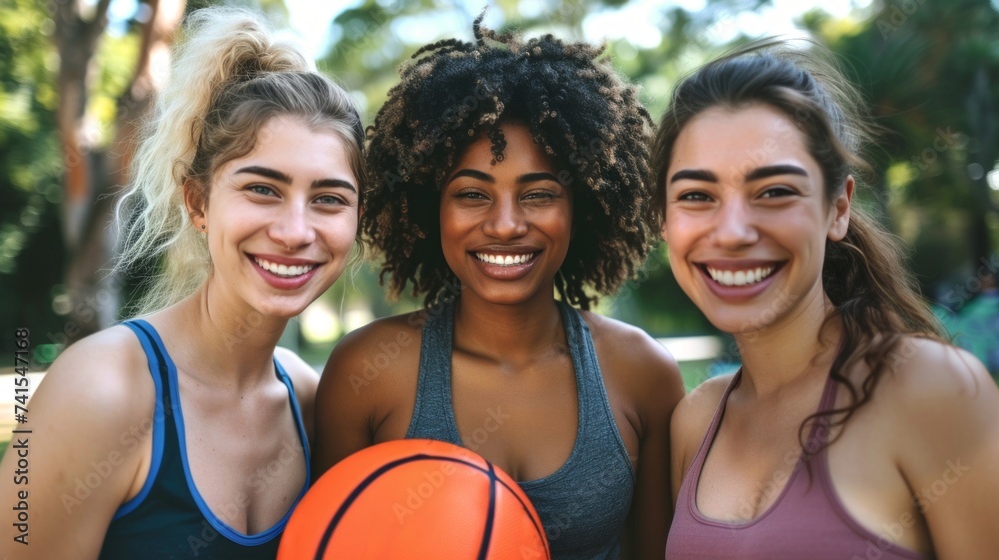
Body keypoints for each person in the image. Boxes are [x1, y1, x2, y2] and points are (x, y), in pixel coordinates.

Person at [313, 13, 685, 560]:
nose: (507, 223)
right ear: (429, 208)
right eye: (471, 194)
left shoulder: (642, 373)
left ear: (581, 208)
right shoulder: (367, 373)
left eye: (538, 194)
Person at [0, 7, 364, 559]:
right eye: (262, 189)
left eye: (330, 199)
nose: (295, 231)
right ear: (198, 203)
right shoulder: (98, 392)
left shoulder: (310, 401)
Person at [653, 40, 999, 559]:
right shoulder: (694, 422)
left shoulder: (933, 388)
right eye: (697, 196)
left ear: (838, 208)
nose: (731, 233)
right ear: (663, 221)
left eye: (774, 191)